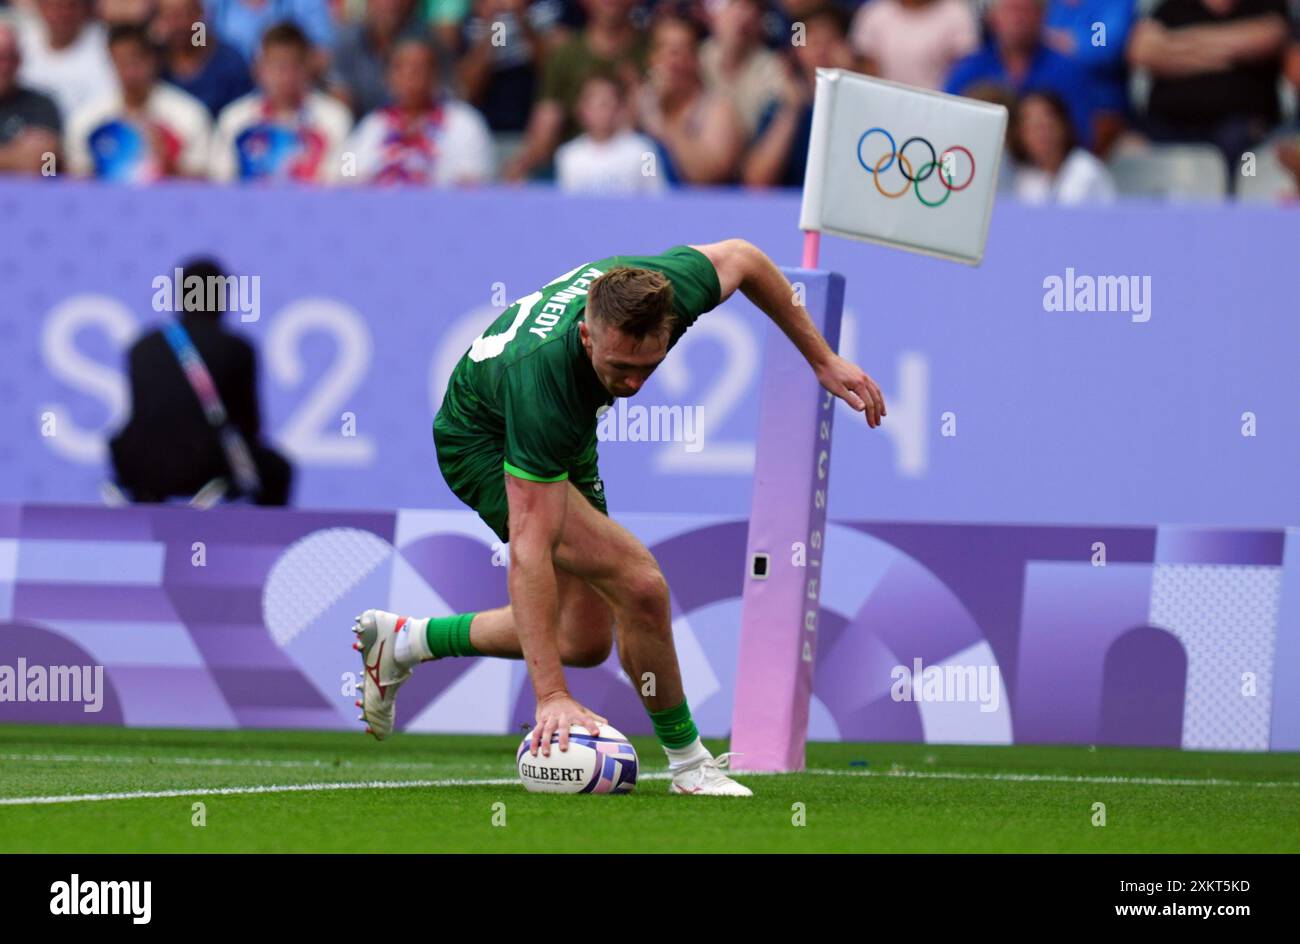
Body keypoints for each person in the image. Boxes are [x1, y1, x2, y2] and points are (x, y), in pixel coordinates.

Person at [353, 239, 887, 796]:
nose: (634, 384)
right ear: (588, 335)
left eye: (647, 366)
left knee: (585, 641)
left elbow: (746, 259)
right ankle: (689, 764)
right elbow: (530, 553)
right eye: (620, 368)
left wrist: (822, 358)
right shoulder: (542, 381)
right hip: (485, 441)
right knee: (640, 585)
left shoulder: (670, 293)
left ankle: (406, 641)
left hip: (571, 430)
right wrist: (551, 696)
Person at [109, 258, 293, 506]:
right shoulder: (237, 349)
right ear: (221, 297)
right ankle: (264, 542)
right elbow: (250, 427)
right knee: (277, 469)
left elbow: (140, 415)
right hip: (208, 466)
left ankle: (147, 532)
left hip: (141, 469)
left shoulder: (142, 347)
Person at [1125, 0, 1289, 174]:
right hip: (1165, 126)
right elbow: (1140, 51)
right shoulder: (1169, 8)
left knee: (1240, 146)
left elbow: (1269, 38)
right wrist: (1231, 53)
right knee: (1127, 149)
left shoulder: (1266, 5)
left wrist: (1172, 45)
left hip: (1240, 131)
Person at [501, 0, 646, 181]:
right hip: (578, 171)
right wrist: (523, 164)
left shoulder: (652, 51)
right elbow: (545, 125)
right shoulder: (566, 54)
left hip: (635, 169)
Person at [65, 22, 211, 180]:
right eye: (121, 62)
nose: (129, 72)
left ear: (153, 60)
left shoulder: (188, 114)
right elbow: (76, 182)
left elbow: (203, 183)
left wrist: (168, 163)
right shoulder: (88, 119)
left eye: (136, 61)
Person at [210, 21, 352, 182]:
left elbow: (342, 183)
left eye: (294, 65)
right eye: (277, 66)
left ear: (309, 67)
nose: (286, 77)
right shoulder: (234, 119)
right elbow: (220, 182)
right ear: (259, 69)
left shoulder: (336, 119)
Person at [945, 0, 1096, 148]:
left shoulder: (1067, 70)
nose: (1018, 19)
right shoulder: (969, 68)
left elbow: (1082, 136)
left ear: (1042, 16)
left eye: (1025, 10)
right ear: (992, 17)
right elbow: (948, 122)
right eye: (1011, 10)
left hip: (1050, 169)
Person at [343, 37, 492, 184]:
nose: (409, 77)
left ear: (436, 75)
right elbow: (349, 176)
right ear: (387, 77)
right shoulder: (373, 125)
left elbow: (472, 182)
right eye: (399, 68)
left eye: (418, 69)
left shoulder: (464, 122)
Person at [631, 10, 744, 185]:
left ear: (695, 59)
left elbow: (708, 178)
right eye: (664, 48)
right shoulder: (640, 102)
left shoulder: (717, 109)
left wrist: (667, 124)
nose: (673, 60)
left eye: (683, 49)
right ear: (651, 58)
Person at [555, 69, 662, 192]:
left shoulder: (646, 153)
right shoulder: (567, 156)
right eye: (592, 102)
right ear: (581, 109)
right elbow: (566, 204)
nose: (599, 110)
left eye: (605, 103)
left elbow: (656, 196)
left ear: (620, 107)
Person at [698, 0, 785, 140]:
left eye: (751, 9)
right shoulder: (702, 55)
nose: (743, 15)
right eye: (734, 6)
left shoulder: (773, 70)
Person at [1010, 88, 1117, 202]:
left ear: (1063, 126)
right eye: (1033, 128)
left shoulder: (1087, 171)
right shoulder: (1023, 178)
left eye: (1047, 125)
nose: (1041, 135)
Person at [153, 0, 254, 119]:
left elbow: (242, 114)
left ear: (200, 14)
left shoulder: (230, 62)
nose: (178, 25)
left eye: (185, 15)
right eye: (169, 16)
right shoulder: (153, 62)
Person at [850, 0, 980, 92]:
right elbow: (866, 76)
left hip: (939, 109)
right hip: (882, 106)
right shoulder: (874, 13)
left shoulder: (957, 14)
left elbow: (965, 73)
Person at [327, 0, 427, 120]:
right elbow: (340, 101)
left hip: (412, 126)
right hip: (360, 129)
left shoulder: (425, 43)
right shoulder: (347, 41)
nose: (390, 4)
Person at [16, 0, 116, 119]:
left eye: (71, 6)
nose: (63, 14)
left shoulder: (107, 45)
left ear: (85, 8)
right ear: (40, 7)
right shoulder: (22, 44)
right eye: (55, 6)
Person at [0, 18, 62, 174]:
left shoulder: (41, 105)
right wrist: (16, 155)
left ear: (20, 60)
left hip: (28, 197)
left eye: (10, 57)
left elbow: (47, 164)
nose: (4, 66)